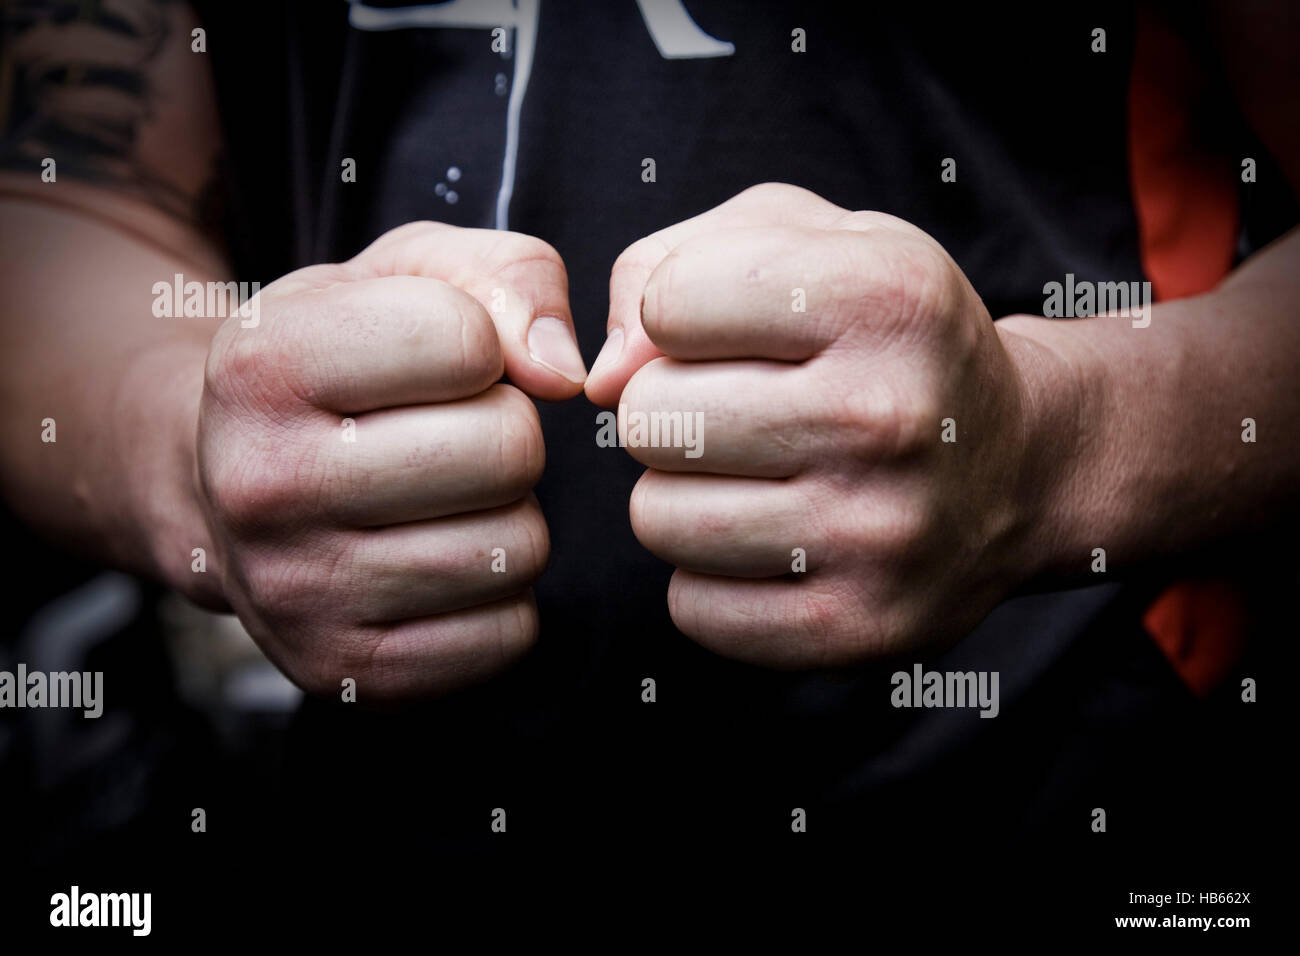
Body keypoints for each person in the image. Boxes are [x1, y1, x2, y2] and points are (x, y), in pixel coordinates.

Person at [1, 0, 1293, 923]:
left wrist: (1057, 443)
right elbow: (65, 203)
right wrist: (188, 447)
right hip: (383, 837)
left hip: (1073, 813)